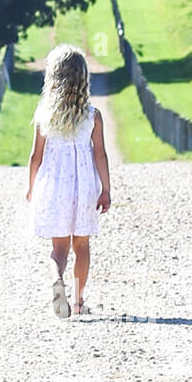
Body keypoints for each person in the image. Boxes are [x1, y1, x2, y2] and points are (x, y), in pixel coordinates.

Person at [25, 45, 112, 318]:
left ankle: (57, 280)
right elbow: (100, 154)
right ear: (83, 78)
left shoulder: (44, 116)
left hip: (54, 189)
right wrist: (106, 189)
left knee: (58, 248)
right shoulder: (92, 117)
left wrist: (31, 188)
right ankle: (78, 301)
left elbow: (35, 157)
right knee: (82, 246)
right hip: (84, 188)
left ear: (53, 78)